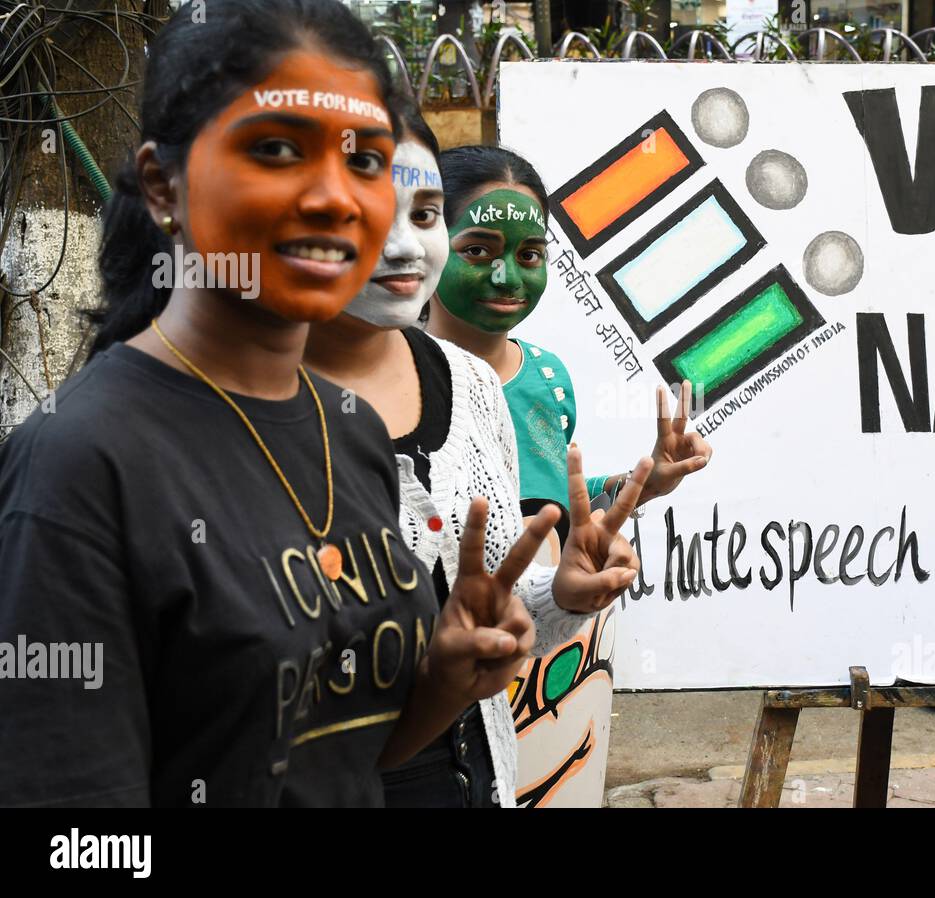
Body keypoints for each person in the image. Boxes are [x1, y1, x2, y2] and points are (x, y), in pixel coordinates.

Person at [0, 0, 540, 807]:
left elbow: (339, 755)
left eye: (365, 161)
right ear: (162, 185)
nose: (333, 197)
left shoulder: (350, 432)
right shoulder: (82, 462)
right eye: (278, 150)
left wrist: (448, 677)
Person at [303, 108, 649, 807]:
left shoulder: (475, 389)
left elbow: (487, 604)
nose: (399, 242)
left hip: (478, 776)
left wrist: (561, 596)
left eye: (421, 213)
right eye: (362, 210)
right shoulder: (234, 412)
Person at [427, 145, 714, 806]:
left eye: (530, 256)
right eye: (477, 250)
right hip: (455, 668)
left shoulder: (548, 377)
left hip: (563, 648)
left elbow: (563, 502)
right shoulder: (396, 379)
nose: (507, 276)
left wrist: (645, 484)